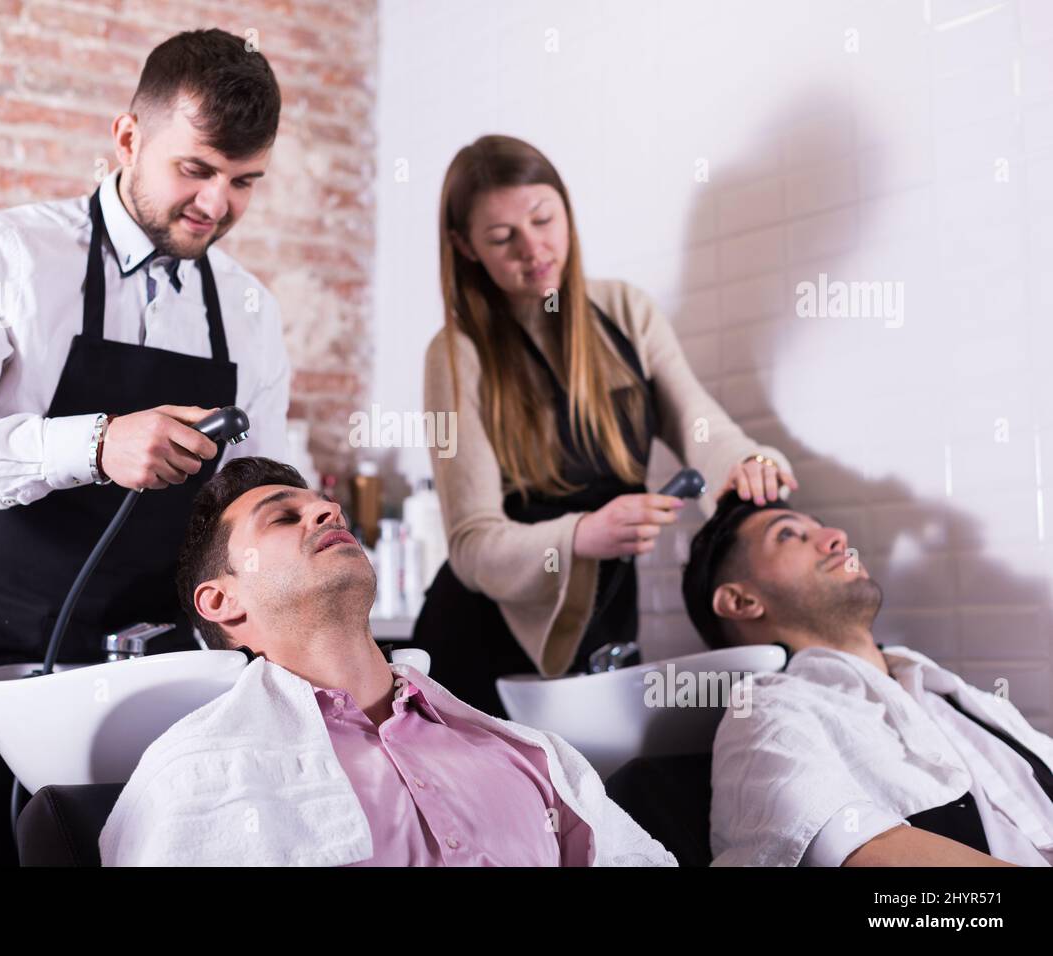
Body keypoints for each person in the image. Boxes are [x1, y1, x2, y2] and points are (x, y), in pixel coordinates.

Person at [0, 29, 291, 865]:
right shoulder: (7, 254)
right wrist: (92, 445)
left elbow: (245, 495)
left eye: (245, 182)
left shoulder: (251, 312)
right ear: (128, 136)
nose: (217, 205)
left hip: (153, 670)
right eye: (196, 170)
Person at [99, 456, 677, 867]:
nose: (328, 512)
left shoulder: (530, 757)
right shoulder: (198, 778)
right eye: (282, 517)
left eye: (326, 507)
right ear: (222, 601)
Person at [412, 134, 798, 717]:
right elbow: (472, 548)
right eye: (501, 237)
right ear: (466, 247)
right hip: (483, 641)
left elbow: (698, 426)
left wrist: (747, 462)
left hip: (603, 615)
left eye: (545, 219)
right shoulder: (455, 353)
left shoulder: (624, 312)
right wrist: (582, 536)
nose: (534, 248)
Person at [682, 494, 1053, 866]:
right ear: (741, 601)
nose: (836, 536)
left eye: (819, 526)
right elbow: (860, 854)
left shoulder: (950, 692)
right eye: (788, 535)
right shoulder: (767, 710)